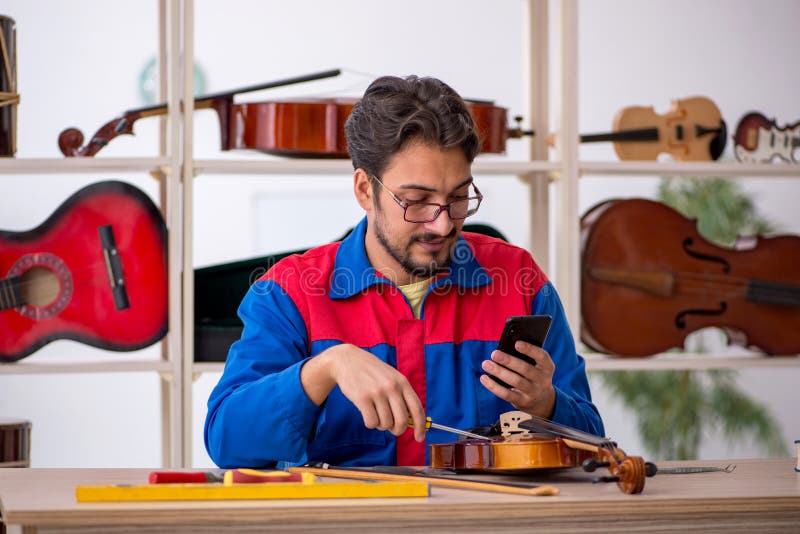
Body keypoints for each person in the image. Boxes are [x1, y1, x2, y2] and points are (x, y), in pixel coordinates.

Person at [204, 75, 603, 469]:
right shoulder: (287, 293)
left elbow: (595, 443)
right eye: (417, 200)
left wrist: (547, 403)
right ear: (365, 190)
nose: (442, 225)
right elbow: (226, 439)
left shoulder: (520, 279)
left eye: (459, 198)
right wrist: (325, 369)